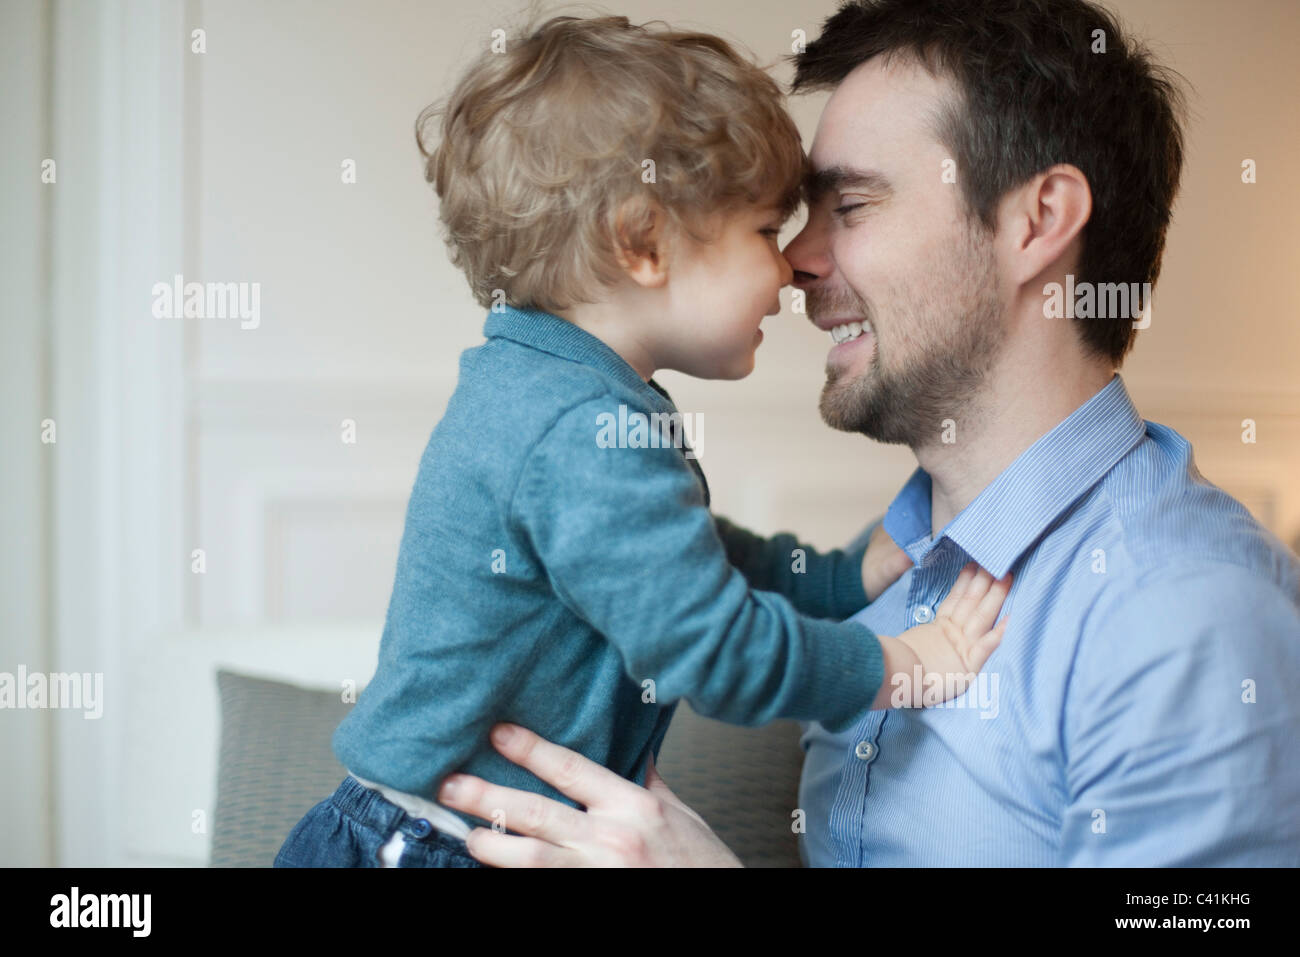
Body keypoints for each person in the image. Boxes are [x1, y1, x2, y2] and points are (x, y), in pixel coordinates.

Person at [434, 0, 1300, 867]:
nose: (795, 260)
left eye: (849, 204)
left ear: (1036, 223)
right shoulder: (884, 572)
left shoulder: (1189, 614)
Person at [272, 13, 1011, 870]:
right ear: (642, 241)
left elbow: (691, 565)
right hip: (433, 850)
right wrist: (901, 663)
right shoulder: (578, 428)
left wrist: (842, 577)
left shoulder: (553, 388)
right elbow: (717, 646)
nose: (789, 269)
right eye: (766, 231)